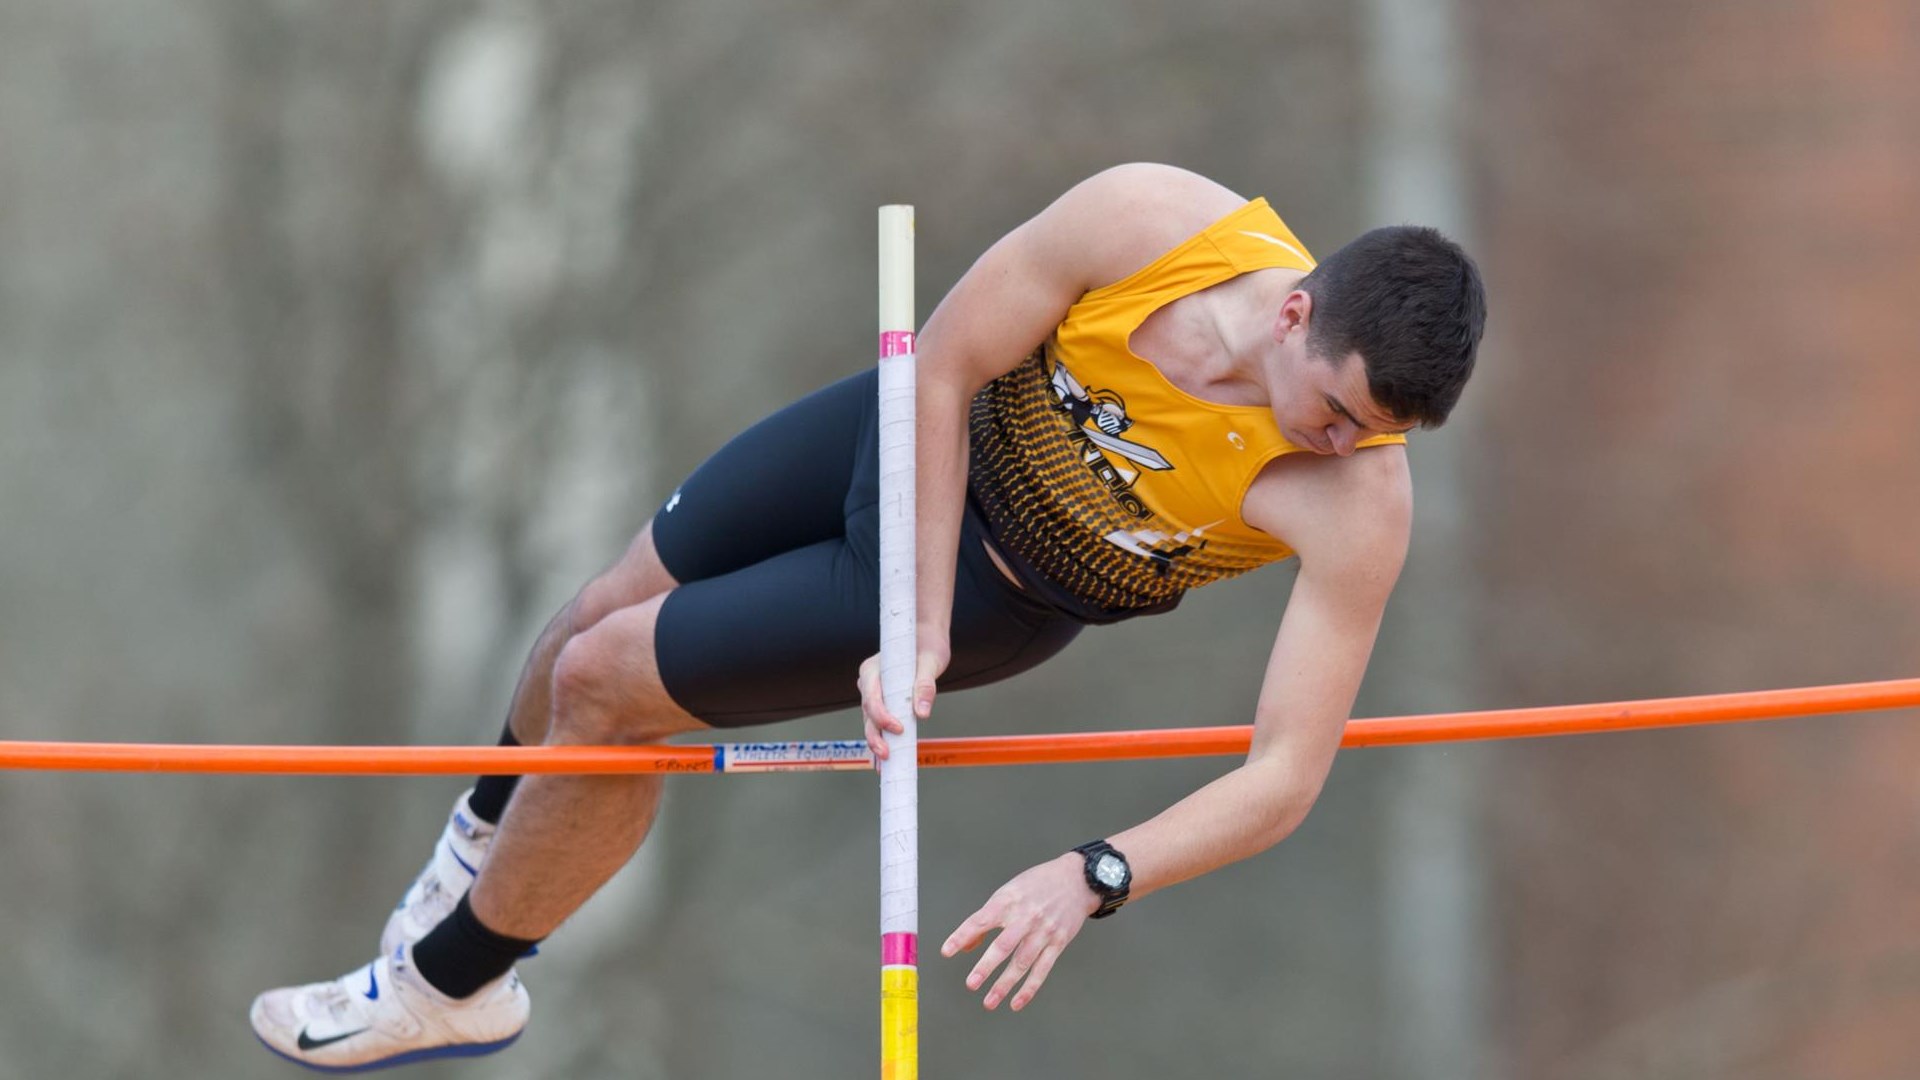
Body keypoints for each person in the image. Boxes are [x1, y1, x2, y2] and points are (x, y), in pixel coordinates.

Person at [248, 161, 1486, 1070]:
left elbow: (1284, 776)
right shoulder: (1150, 222)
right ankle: (479, 839)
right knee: (594, 615)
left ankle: (454, 984)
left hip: (999, 588)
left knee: (607, 685)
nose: (1348, 445)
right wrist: (913, 612)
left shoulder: (1356, 503)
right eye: (1338, 409)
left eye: (1382, 435)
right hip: (900, 433)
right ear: (1293, 313)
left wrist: (1096, 874)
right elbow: (944, 364)